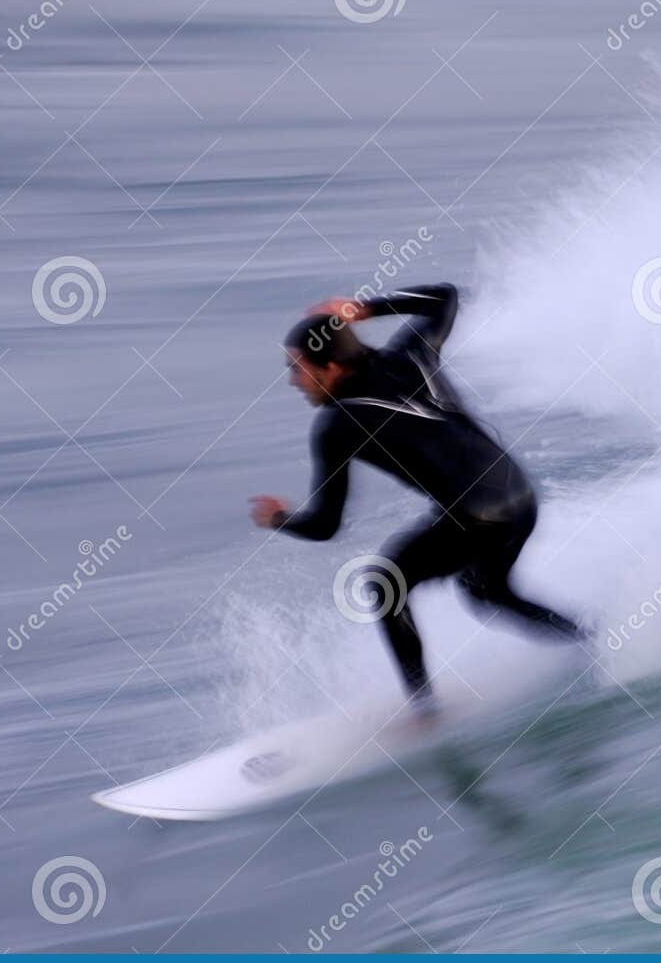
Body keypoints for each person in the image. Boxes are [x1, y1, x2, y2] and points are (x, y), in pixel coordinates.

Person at [249, 283, 585, 708]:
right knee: (486, 591)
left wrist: (279, 518)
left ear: (330, 367)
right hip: (521, 498)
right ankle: (590, 641)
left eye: (297, 369)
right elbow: (445, 297)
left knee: (386, 582)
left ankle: (424, 709)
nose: (293, 382)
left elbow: (325, 525)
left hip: (476, 517)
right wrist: (364, 309)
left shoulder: (338, 424)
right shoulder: (411, 353)